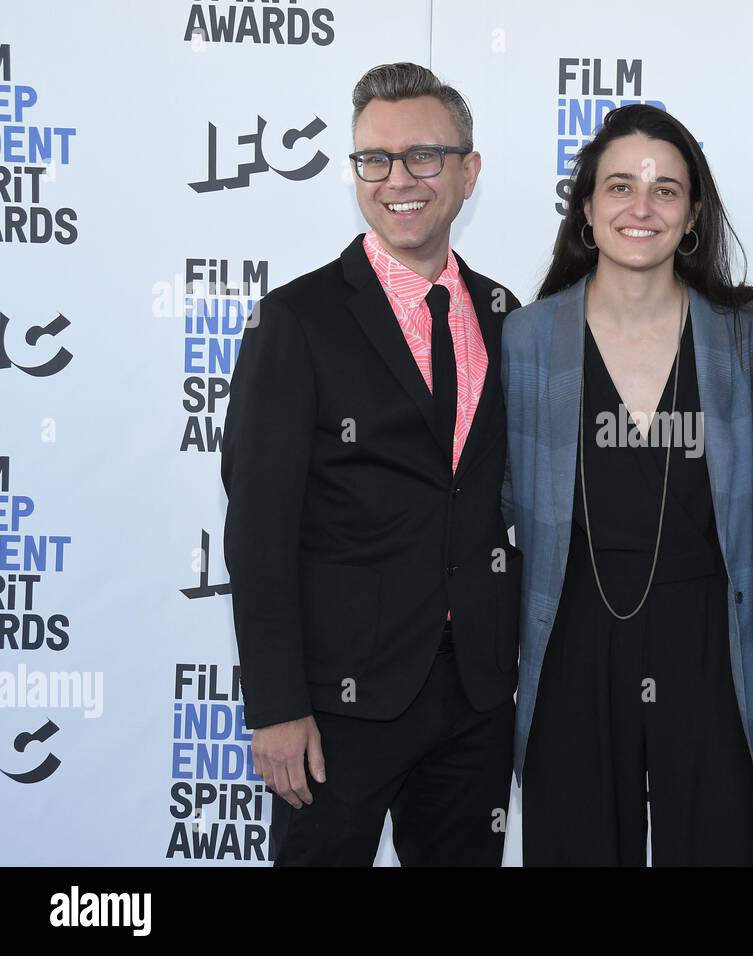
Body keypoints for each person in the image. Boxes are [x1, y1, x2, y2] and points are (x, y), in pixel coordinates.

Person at [221, 62, 522, 866]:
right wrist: (277, 708)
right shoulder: (296, 320)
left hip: (476, 695)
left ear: (468, 171)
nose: (398, 180)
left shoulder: (505, 317)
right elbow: (256, 530)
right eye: (374, 159)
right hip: (336, 705)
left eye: (423, 156)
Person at [502, 104, 753, 865]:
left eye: (666, 191)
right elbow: (495, 507)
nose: (640, 208)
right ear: (586, 208)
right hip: (570, 651)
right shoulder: (525, 339)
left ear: (692, 215)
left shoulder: (745, 334)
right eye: (619, 187)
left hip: (713, 653)